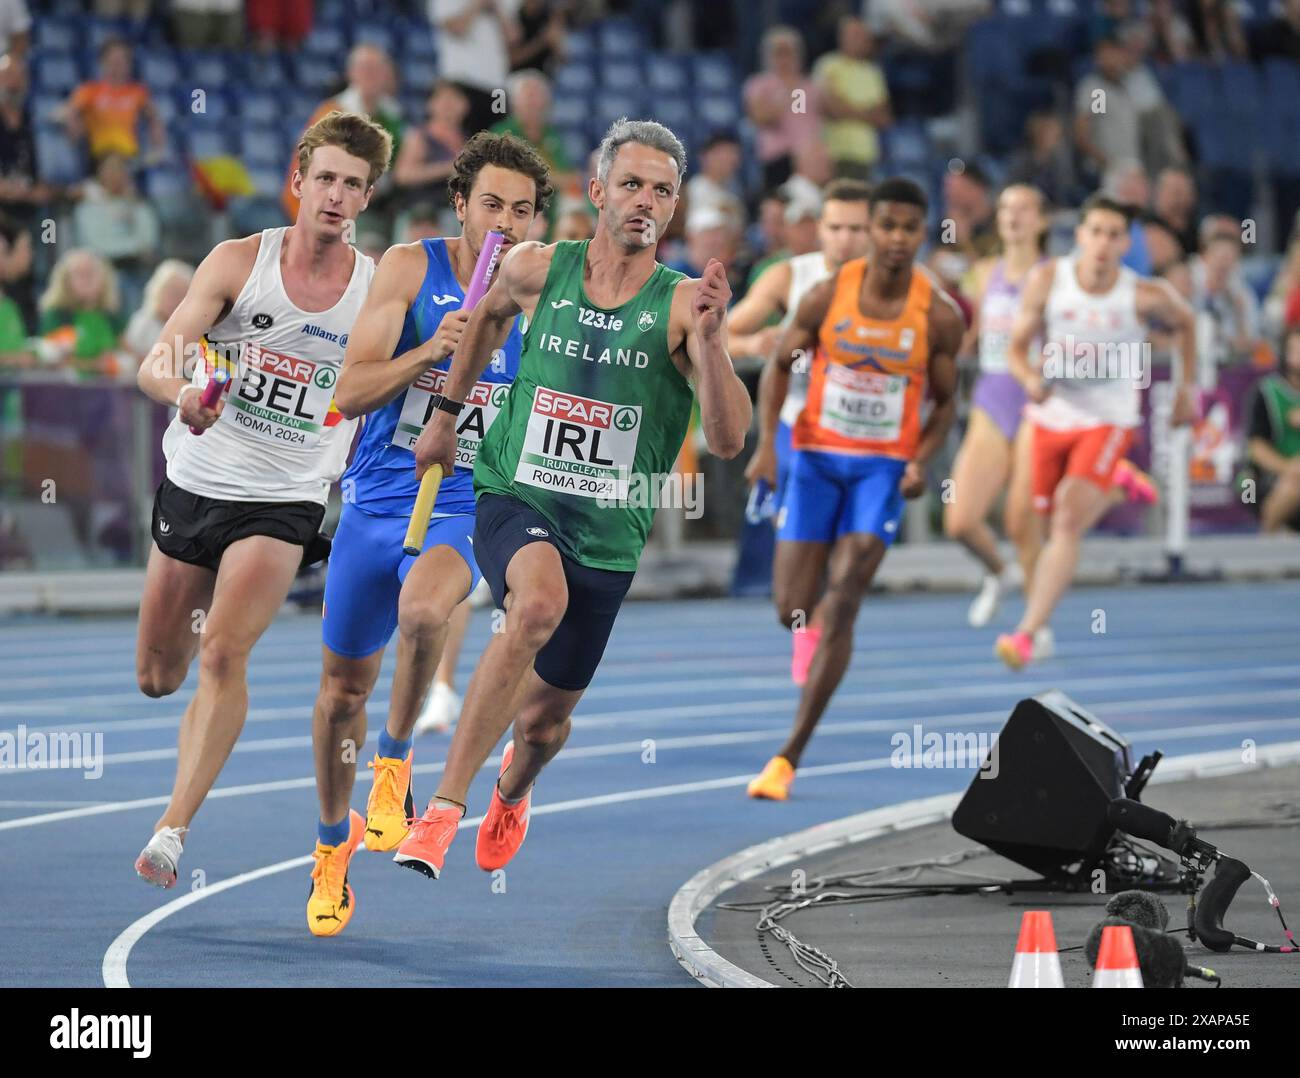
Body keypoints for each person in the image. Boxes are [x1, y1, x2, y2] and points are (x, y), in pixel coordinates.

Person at [393, 117, 751, 879]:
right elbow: (485, 321)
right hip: (514, 492)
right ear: (597, 192)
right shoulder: (534, 268)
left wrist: (716, 343)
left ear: (676, 207)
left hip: (607, 535)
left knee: (543, 725)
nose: (644, 201)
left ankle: (513, 791)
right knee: (535, 606)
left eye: (662, 191)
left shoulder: (684, 305)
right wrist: (446, 418)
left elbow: (726, 441)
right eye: (631, 184)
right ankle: (443, 811)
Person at [130, 111, 393, 889]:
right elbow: (157, 362)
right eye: (326, 179)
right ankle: (183, 754)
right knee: (158, 675)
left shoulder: (375, 290)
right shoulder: (240, 262)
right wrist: (184, 395)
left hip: (286, 497)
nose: (336, 196)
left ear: (367, 197)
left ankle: (173, 828)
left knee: (223, 653)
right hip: (199, 479)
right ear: (298, 180)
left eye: (353, 185)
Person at [307, 131, 550, 935]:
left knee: (423, 611)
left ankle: (394, 758)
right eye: (492, 205)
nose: (506, 223)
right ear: (460, 205)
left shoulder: (542, 297)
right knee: (340, 694)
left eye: (522, 210)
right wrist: (432, 354)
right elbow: (348, 393)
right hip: (379, 500)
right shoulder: (411, 269)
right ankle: (331, 847)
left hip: (464, 503)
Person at [745, 178, 964, 799]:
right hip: (816, 461)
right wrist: (766, 448)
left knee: (845, 594)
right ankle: (811, 621)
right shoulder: (826, 294)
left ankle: (788, 756)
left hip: (880, 470)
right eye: (885, 226)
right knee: (792, 606)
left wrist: (920, 459)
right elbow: (778, 367)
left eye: (908, 228)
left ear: (922, 234)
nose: (896, 238)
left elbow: (947, 403)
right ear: (871, 230)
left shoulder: (938, 314)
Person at [997, 195, 1197, 669]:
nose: (1104, 243)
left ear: (1126, 243)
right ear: (1080, 236)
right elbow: (1016, 349)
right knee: (1034, 522)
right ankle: (1118, 484)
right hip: (1053, 415)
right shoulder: (1049, 280)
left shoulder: (1144, 294)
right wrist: (1029, 379)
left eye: (1114, 234)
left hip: (1109, 416)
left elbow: (1187, 324)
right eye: (1096, 232)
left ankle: (1027, 633)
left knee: (1067, 520)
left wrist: (1186, 390)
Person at [734, 179, 872, 665]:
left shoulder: (899, 285)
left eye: (857, 229)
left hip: (866, 437)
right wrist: (753, 344)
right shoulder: (790, 277)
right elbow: (719, 333)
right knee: (795, 579)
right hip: (800, 430)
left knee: (846, 550)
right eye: (836, 228)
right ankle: (807, 622)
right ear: (820, 228)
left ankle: (820, 632)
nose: (845, 239)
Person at [943, 184, 1049, 635]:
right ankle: (999, 572)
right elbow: (974, 337)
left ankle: (1034, 627)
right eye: (1005, 208)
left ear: (1041, 220)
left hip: (1036, 401)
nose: (1013, 216)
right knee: (960, 520)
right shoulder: (985, 273)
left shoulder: (1054, 275)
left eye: (1024, 208)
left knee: (1022, 520)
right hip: (992, 396)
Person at [813, 15, 892, 181]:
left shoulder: (873, 72)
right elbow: (830, 109)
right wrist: (867, 113)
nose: (859, 40)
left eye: (862, 35)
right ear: (841, 37)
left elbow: (884, 118)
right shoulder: (827, 65)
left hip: (866, 156)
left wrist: (846, 106)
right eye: (854, 35)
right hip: (834, 154)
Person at [61, 38, 164, 165]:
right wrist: (73, 125)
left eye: (122, 61)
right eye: (113, 61)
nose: (117, 66)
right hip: (99, 155)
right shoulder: (89, 90)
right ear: (102, 62)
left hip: (129, 156)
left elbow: (154, 118)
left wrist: (157, 147)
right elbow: (69, 111)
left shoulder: (138, 92)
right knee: (112, 162)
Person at [1245, 324, 1300, 532]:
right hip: (1257, 481)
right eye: (1294, 350)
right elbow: (1256, 448)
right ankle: (1267, 538)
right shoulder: (1266, 392)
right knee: (1292, 484)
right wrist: (1289, 468)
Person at [37, 249, 124, 379]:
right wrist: (94, 365)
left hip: (108, 388)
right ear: (65, 280)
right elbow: (50, 359)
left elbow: (127, 352)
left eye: (91, 273)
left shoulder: (110, 316)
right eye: (79, 274)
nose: (86, 280)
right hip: (67, 388)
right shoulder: (57, 316)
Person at [123, 259, 193, 363]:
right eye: (172, 293)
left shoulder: (194, 326)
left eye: (182, 294)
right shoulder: (143, 321)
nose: (176, 300)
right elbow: (128, 353)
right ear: (158, 291)